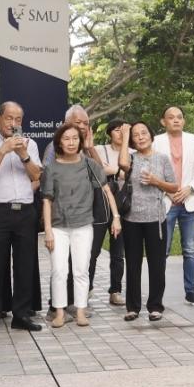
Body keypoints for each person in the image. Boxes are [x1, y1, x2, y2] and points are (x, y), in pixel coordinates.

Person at [40, 121, 119, 327]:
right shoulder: (51, 168)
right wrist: (47, 230)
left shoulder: (90, 165)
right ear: (59, 142)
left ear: (81, 141)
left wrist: (116, 217)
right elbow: (47, 200)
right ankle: (59, 312)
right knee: (58, 270)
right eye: (66, 138)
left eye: (75, 138)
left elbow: (106, 190)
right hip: (58, 227)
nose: (71, 142)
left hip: (84, 225)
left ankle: (81, 311)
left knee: (81, 270)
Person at [0, 100, 44, 334]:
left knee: (25, 266)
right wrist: (3, 150)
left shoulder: (30, 144)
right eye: (9, 118)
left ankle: (21, 315)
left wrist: (23, 153)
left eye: (18, 120)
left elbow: (36, 176)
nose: (13, 124)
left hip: (25, 211)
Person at [122, 121, 176, 322]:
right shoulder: (130, 158)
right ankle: (132, 307)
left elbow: (174, 186)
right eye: (136, 135)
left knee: (157, 263)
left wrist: (156, 182)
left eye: (144, 132)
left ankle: (155, 306)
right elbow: (121, 165)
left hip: (156, 218)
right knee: (133, 263)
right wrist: (125, 137)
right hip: (132, 219)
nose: (140, 137)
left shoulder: (162, 159)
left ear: (151, 136)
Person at [159, 104, 194, 304]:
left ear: (184, 121)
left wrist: (189, 188)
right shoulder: (156, 142)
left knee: (190, 250)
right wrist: (167, 191)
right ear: (164, 122)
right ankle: (157, 293)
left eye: (179, 117)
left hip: (188, 201)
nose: (176, 120)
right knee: (163, 250)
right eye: (171, 117)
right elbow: (153, 170)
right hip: (166, 202)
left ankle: (191, 291)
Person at [96, 120, 131, 304]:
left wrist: (114, 170)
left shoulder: (131, 153)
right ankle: (87, 289)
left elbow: (133, 173)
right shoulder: (100, 149)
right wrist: (121, 172)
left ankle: (115, 290)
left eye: (125, 131)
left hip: (123, 206)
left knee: (118, 252)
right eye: (118, 130)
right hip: (101, 205)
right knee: (93, 250)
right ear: (110, 132)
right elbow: (99, 170)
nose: (121, 133)